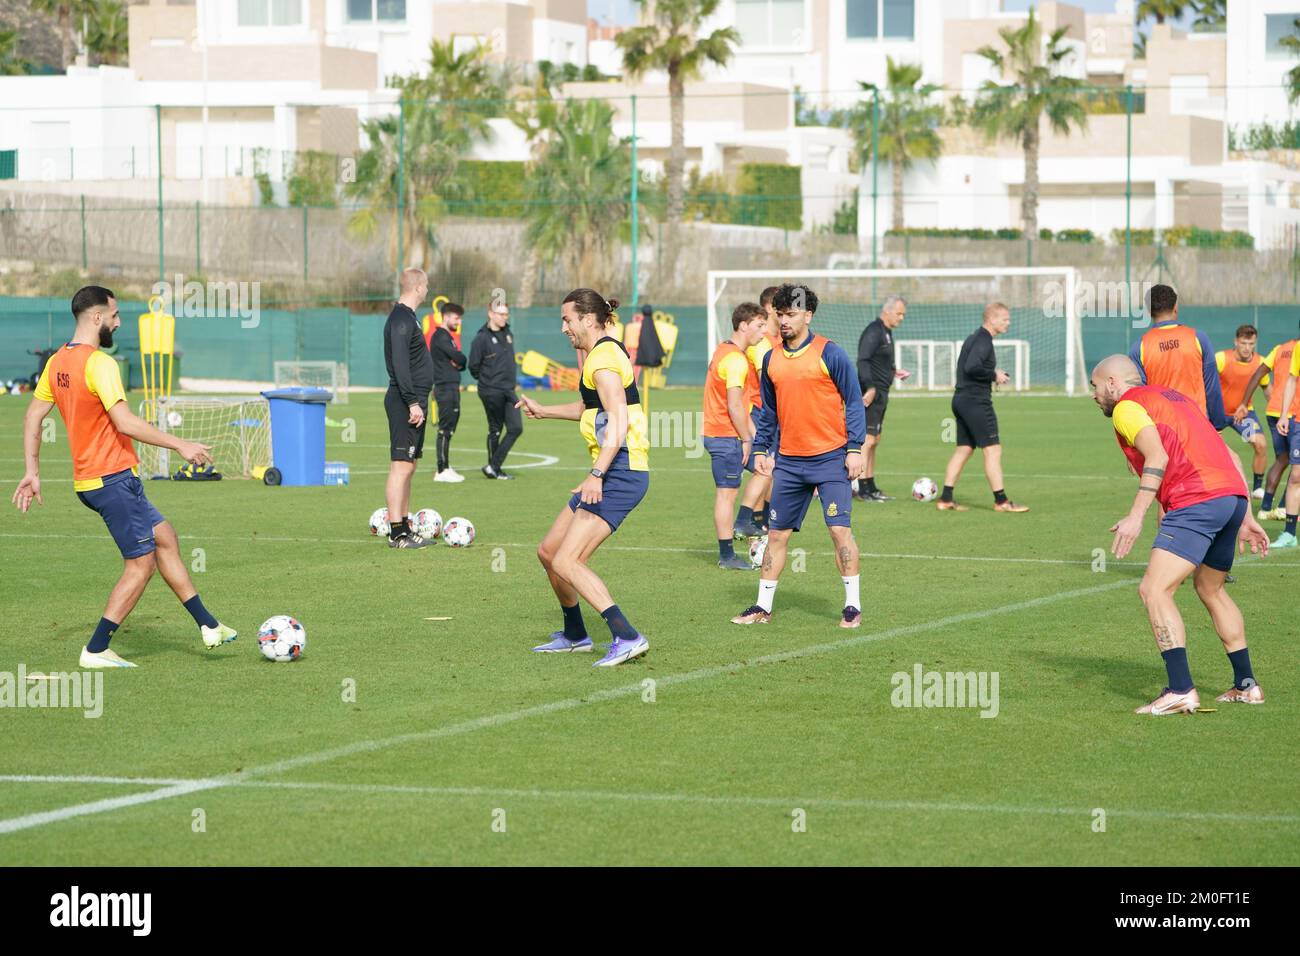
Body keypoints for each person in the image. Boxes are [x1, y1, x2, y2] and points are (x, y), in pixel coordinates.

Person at [11, 286, 237, 668]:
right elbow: (126, 422)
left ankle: (208, 625)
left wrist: (33, 472)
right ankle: (96, 649)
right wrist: (180, 444)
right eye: (114, 316)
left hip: (94, 481)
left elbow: (33, 416)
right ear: (97, 318)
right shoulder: (100, 364)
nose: (118, 322)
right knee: (141, 564)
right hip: (111, 480)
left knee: (165, 537)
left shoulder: (56, 363)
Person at [1090, 354, 1268, 713]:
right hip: (1229, 497)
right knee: (1211, 589)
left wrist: (1135, 515)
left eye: (1095, 386)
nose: (1093, 395)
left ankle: (1180, 689)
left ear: (1112, 383)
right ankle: (1247, 685)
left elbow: (1157, 457)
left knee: (1154, 589)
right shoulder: (1176, 398)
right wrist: (1245, 514)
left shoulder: (1128, 406)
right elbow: (1231, 456)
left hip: (1196, 501)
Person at [517, 289, 651, 667]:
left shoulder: (605, 358)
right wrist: (544, 410)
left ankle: (627, 636)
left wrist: (596, 473)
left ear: (588, 320)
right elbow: (588, 406)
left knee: (568, 560)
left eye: (568, 320)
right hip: (609, 470)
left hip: (620, 472)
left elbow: (619, 420)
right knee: (549, 552)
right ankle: (576, 635)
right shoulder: (598, 356)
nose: (564, 328)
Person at [730, 283, 867, 629]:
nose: (784, 321)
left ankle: (852, 606)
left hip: (830, 460)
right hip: (789, 464)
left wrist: (855, 448)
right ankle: (762, 606)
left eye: (791, 314)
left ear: (808, 315)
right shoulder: (770, 358)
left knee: (839, 531)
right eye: (780, 314)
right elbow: (768, 412)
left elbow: (853, 401)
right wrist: (761, 448)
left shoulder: (830, 353)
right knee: (776, 536)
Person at [937, 303, 1028, 512]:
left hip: (961, 399)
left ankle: (945, 498)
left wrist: (993, 372)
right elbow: (972, 367)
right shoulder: (983, 340)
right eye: (1004, 318)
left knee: (964, 449)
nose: (1008, 322)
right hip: (975, 402)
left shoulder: (976, 337)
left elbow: (973, 366)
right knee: (993, 450)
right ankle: (1002, 501)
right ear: (991, 319)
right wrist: (993, 374)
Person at [702, 302, 768, 569]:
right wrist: (746, 439)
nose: (763, 333)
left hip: (727, 433)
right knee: (726, 494)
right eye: (759, 326)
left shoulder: (725, 350)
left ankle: (744, 519)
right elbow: (734, 405)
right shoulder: (736, 360)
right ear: (743, 325)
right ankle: (726, 555)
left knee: (767, 467)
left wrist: (755, 438)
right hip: (724, 436)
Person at [1128, 284, 1228, 428]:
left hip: (1164, 429)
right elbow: (1212, 387)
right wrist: (1218, 425)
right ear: (1176, 307)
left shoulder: (1139, 347)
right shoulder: (1198, 338)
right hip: (1198, 425)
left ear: (1149, 311)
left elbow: (1140, 396)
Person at [382, 268, 434, 547]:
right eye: (426, 285)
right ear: (417, 287)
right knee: (400, 467)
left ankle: (405, 525)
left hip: (416, 401)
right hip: (405, 402)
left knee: (409, 466)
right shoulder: (401, 319)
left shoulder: (410, 318)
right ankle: (396, 532)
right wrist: (412, 401)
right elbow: (401, 365)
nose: (427, 289)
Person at [733, 285, 783, 536]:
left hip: (771, 413)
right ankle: (745, 519)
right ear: (770, 309)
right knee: (766, 467)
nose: (786, 314)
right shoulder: (760, 344)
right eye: (782, 308)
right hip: (759, 413)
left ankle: (763, 519)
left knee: (775, 467)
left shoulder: (776, 340)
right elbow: (772, 379)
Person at [1235, 327, 1299, 520]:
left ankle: (1265, 508)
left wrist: (1244, 403)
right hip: (1293, 412)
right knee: (1293, 461)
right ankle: (1283, 506)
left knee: (1283, 458)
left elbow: (1258, 374)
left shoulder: (1280, 349)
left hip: (1274, 411)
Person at [855, 294, 912, 502]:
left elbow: (879, 361)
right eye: (899, 313)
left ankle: (870, 485)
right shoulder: (874, 331)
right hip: (872, 394)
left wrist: (894, 371)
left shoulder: (886, 332)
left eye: (903, 314)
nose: (901, 318)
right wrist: (869, 388)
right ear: (886, 311)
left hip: (881, 394)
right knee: (867, 441)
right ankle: (862, 488)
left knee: (874, 440)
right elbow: (863, 361)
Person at [469, 298, 523, 480]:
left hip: (508, 390)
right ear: (491, 314)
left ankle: (493, 466)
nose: (504, 318)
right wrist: (489, 381)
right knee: (496, 429)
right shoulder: (481, 338)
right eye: (501, 314)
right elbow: (473, 367)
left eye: (506, 314)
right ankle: (495, 469)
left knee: (516, 428)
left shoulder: (508, 332)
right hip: (491, 390)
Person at [1214, 325, 1269, 500]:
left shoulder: (1261, 363)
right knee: (1209, 450)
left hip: (1243, 416)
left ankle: (1258, 489)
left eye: (1251, 343)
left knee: (1260, 444)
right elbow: (1204, 383)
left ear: (1255, 343)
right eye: (1243, 343)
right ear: (1236, 342)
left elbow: (1269, 391)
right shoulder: (1221, 358)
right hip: (1218, 414)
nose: (1247, 347)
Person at [430, 301, 467, 483]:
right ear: (446, 317)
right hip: (444, 387)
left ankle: (445, 466)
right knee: (445, 428)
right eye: (456, 317)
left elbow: (460, 362)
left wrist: (458, 361)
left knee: (450, 427)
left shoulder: (448, 336)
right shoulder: (441, 336)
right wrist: (457, 359)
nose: (458, 321)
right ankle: (441, 469)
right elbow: (460, 358)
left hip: (451, 386)